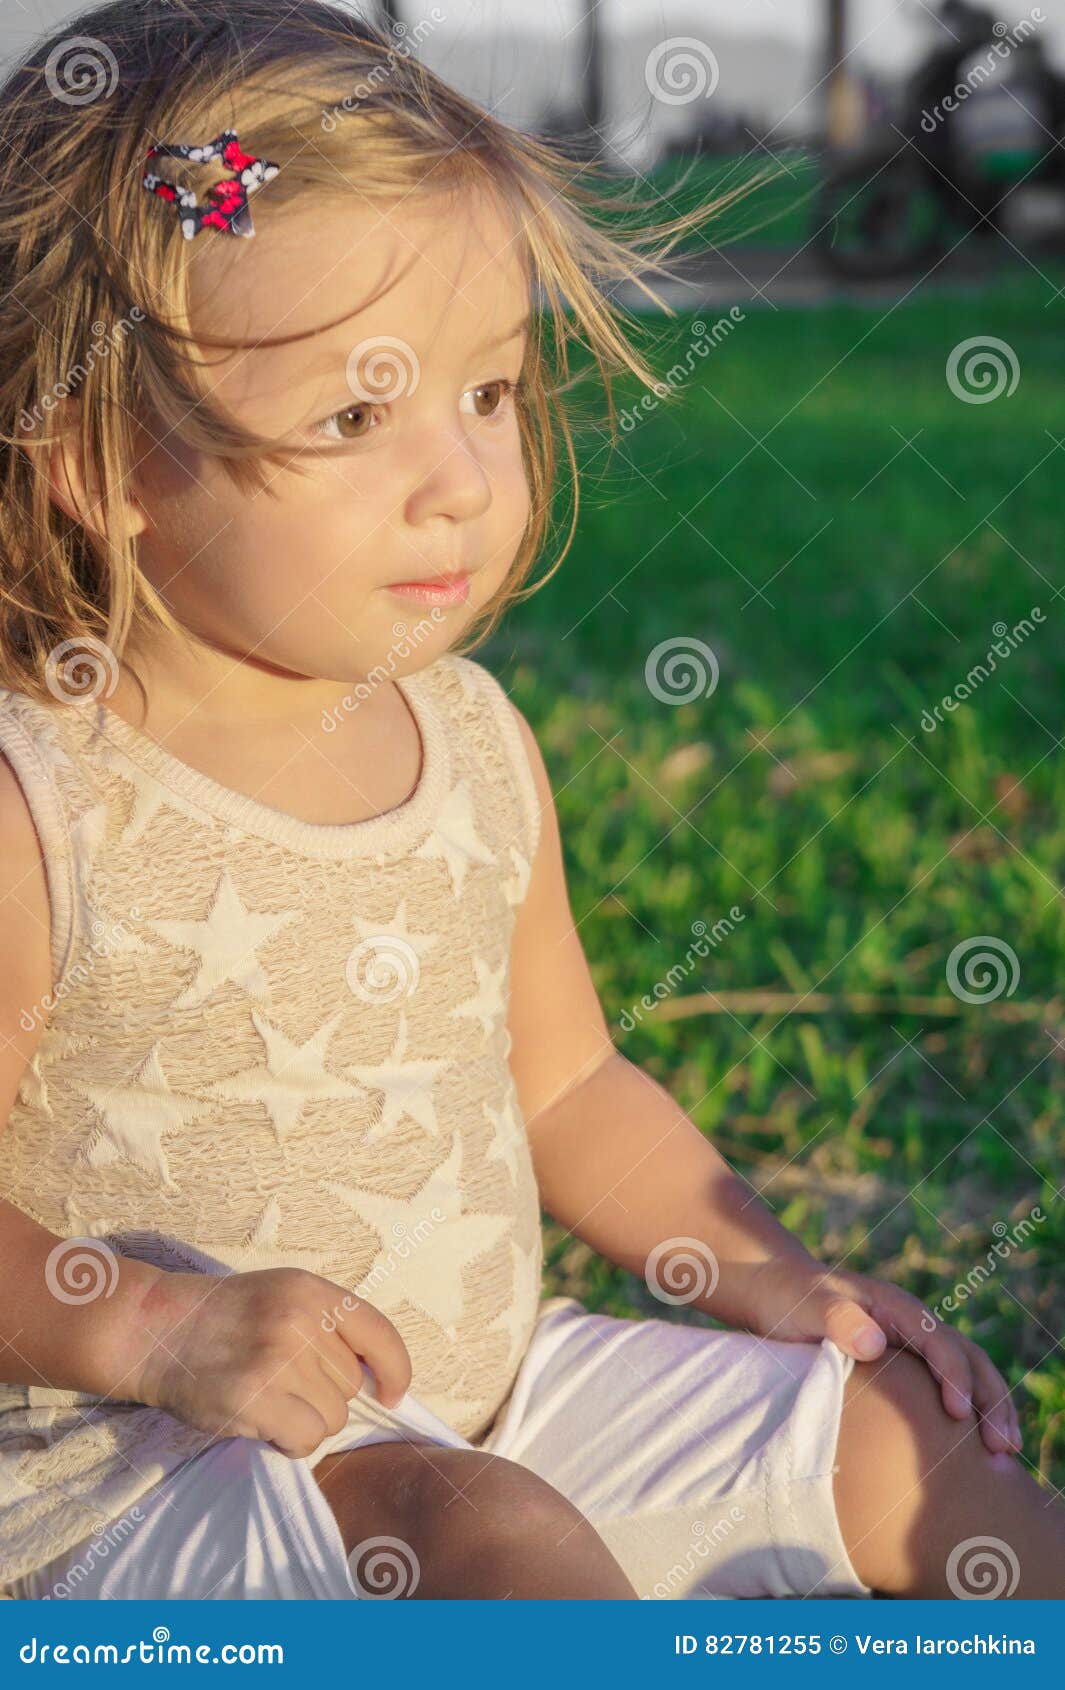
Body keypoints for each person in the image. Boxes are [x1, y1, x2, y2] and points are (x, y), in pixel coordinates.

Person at [0, 0, 1061, 1603]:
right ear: (98, 458)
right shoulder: (52, 801)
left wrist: (766, 1274)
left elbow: (564, 1083)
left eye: (487, 393)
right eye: (354, 416)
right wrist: (155, 1325)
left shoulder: (474, 740)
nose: (461, 480)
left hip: (496, 1403)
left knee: (892, 1436)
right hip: (151, 1478)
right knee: (486, 1537)